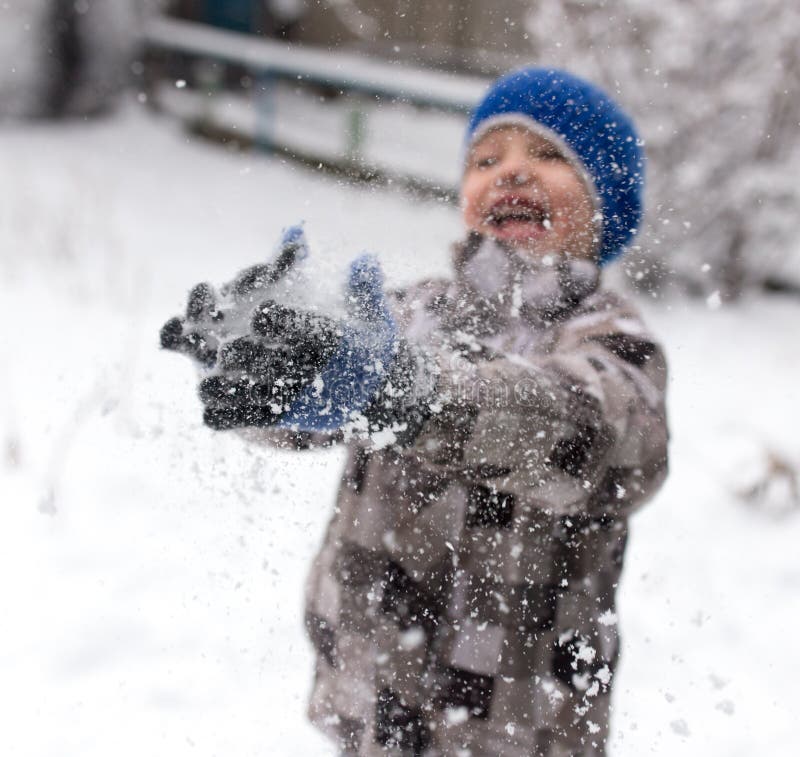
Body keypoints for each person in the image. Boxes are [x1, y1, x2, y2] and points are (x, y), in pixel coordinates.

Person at [161, 67, 669, 757]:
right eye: (487, 159)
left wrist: (418, 398)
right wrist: (265, 367)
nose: (511, 173)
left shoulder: (614, 342)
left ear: (606, 201)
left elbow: (587, 428)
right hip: (377, 694)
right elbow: (324, 405)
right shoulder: (409, 314)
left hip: (518, 721)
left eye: (547, 156)